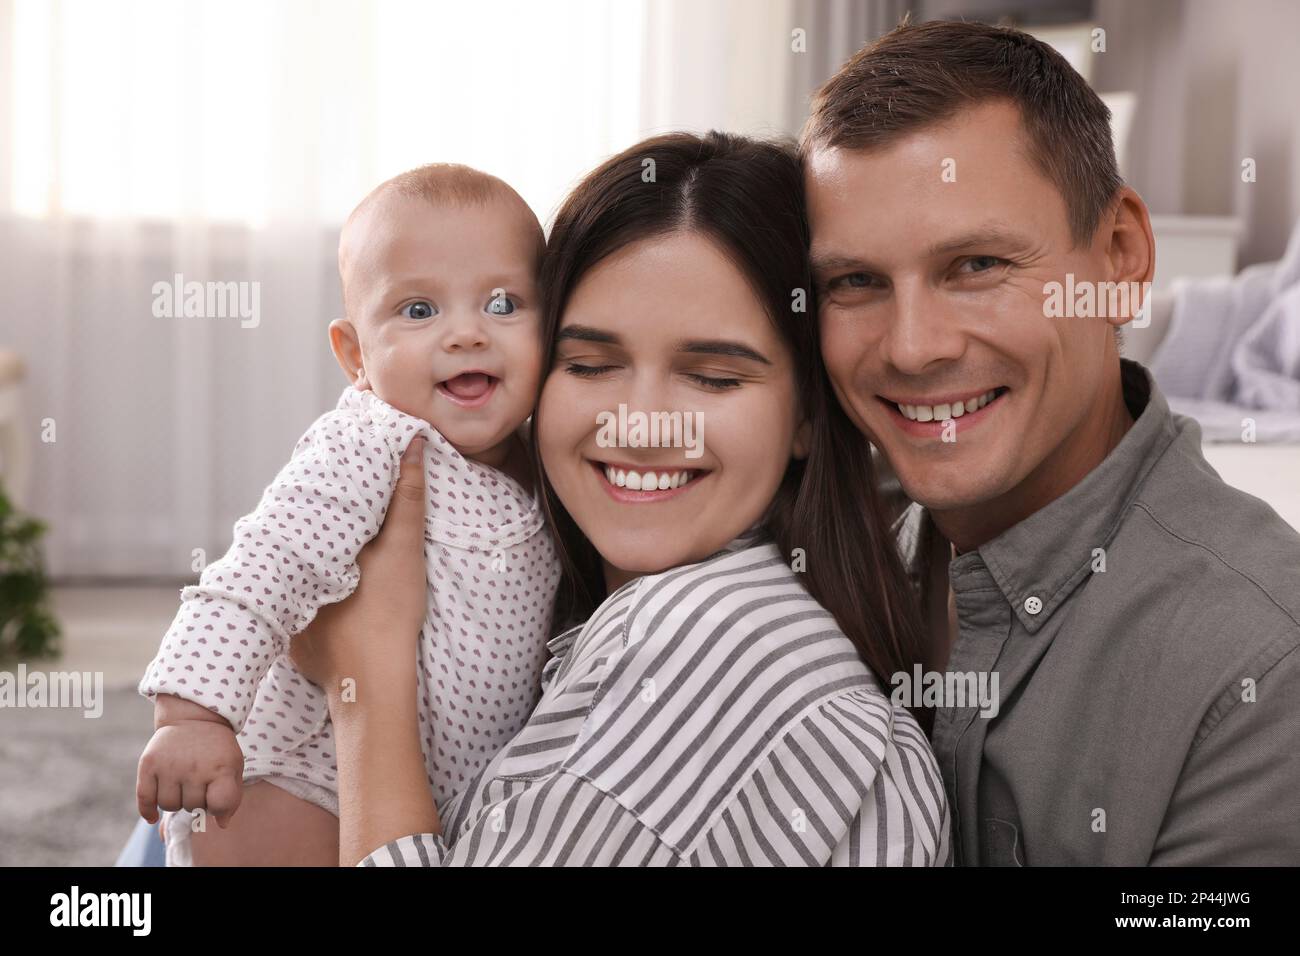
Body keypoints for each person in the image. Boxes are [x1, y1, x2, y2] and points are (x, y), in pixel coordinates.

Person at [290, 131, 950, 866]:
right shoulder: (655, 609)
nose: (639, 424)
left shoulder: (704, 641)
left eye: (713, 378)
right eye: (590, 363)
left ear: (804, 414)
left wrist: (365, 680)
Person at [802, 18, 1300, 864]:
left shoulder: (1262, 664)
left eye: (977, 266)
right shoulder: (818, 544)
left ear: (1121, 256)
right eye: (857, 281)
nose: (914, 346)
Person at [134, 164, 561, 865]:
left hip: (437, 791)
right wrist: (192, 715)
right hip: (309, 770)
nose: (467, 334)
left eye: (504, 303)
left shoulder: (545, 459)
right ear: (356, 355)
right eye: (419, 311)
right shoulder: (373, 444)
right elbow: (266, 564)